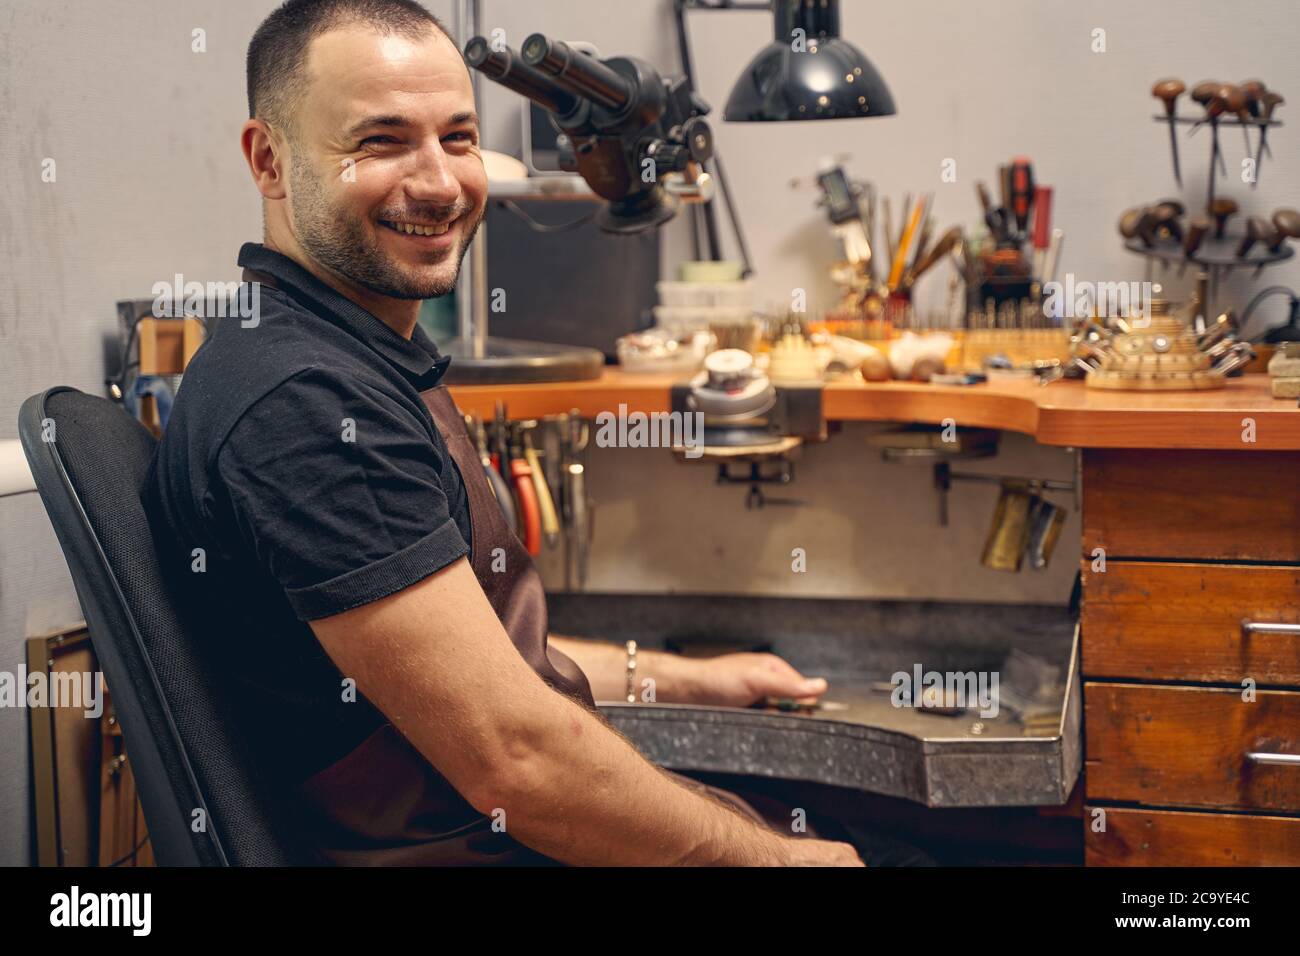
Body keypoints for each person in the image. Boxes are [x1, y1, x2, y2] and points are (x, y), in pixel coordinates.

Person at [143, 0, 863, 866]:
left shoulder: (351, 350)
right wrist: (785, 862)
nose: (440, 182)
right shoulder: (307, 405)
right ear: (269, 158)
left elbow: (485, 659)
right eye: (380, 141)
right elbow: (517, 762)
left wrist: (688, 678)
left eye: (457, 136)